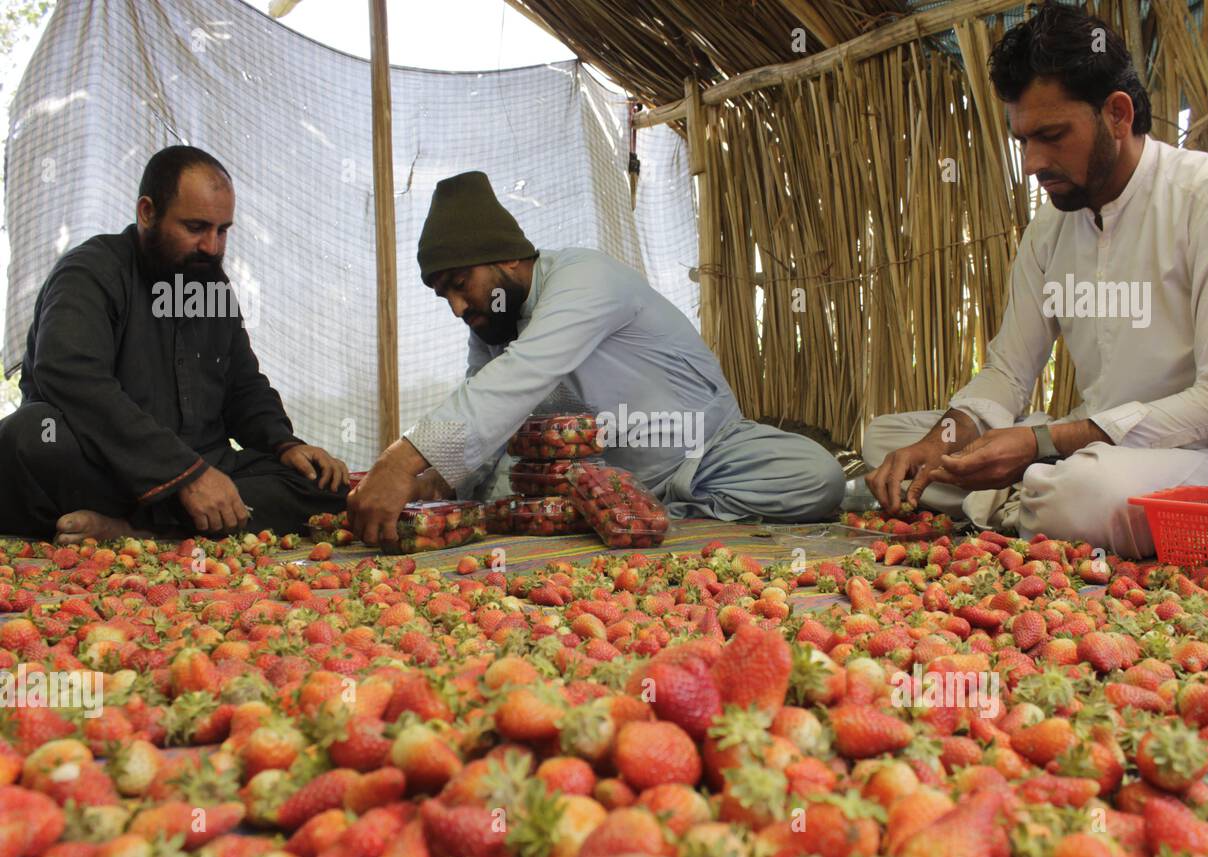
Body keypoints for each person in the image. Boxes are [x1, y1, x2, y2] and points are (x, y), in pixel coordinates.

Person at [864, 2, 1208, 558]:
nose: (1032, 161)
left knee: (1081, 492)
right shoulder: (1050, 227)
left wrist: (1040, 443)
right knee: (888, 437)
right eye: (1023, 139)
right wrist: (939, 441)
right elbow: (1007, 371)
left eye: (1050, 134)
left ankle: (1021, 493)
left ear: (1117, 114)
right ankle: (1011, 490)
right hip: (1090, 440)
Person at [347, 170, 844, 548]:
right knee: (497, 493)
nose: (458, 307)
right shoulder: (494, 321)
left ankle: (656, 512)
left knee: (817, 478)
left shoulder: (584, 278)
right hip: (599, 487)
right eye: (444, 297)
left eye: (460, 286)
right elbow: (489, 405)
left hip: (708, 455)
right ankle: (630, 514)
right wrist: (436, 477)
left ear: (510, 258)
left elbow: (520, 377)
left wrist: (400, 461)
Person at [0, 145, 349, 543]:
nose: (212, 247)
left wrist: (282, 442)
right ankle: (170, 521)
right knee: (30, 435)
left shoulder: (210, 284)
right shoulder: (92, 271)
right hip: (108, 466)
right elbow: (71, 378)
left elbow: (242, 385)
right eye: (196, 228)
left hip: (206, 465)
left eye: (222, 231)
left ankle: (135, 529)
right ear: (147, 212)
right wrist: (182, 474)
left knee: (323, 485)